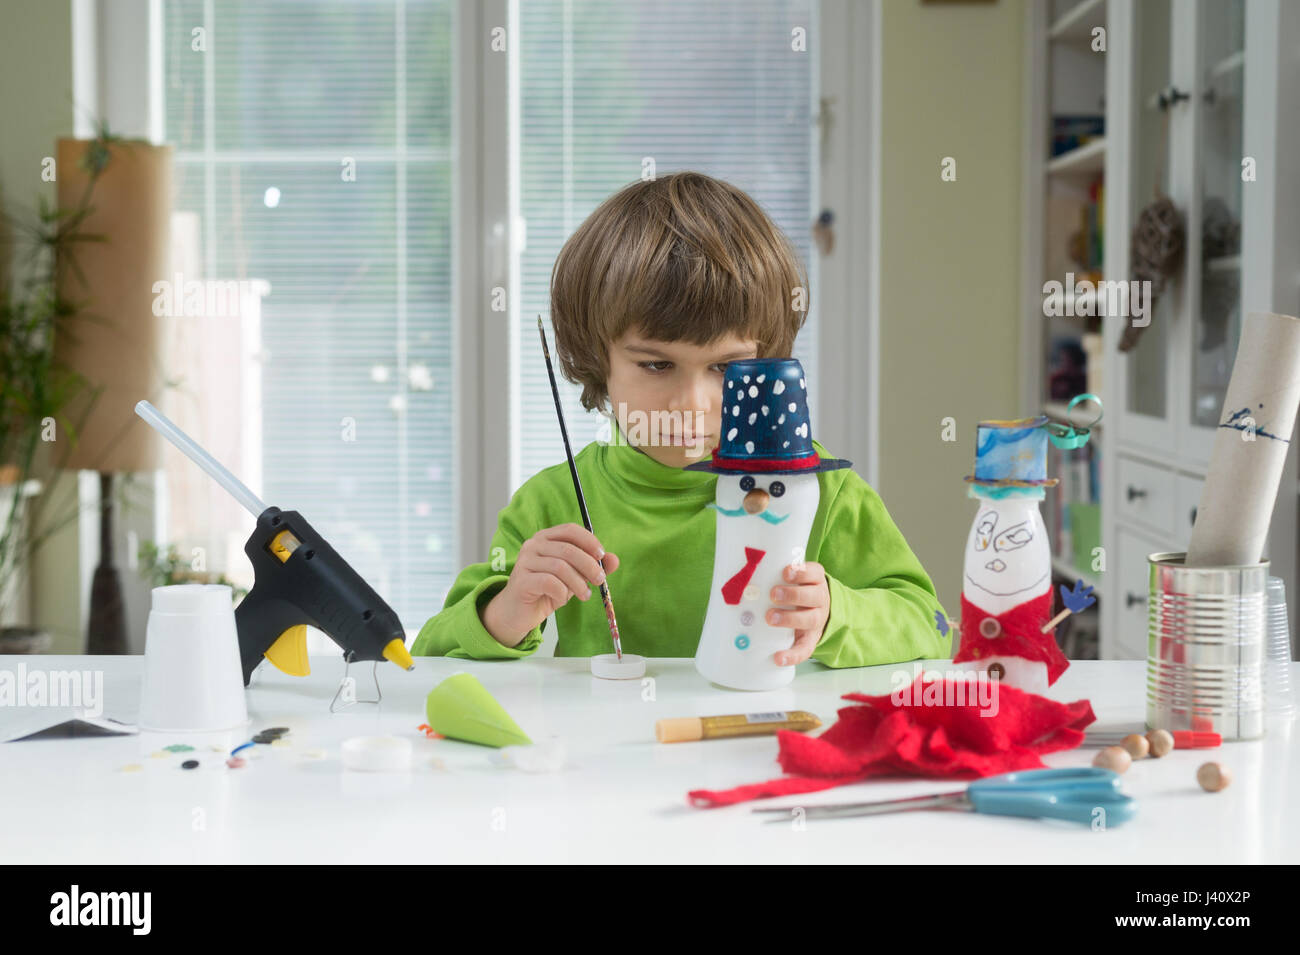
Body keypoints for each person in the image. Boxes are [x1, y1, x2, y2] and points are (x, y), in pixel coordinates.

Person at [412, 172, 949, 668]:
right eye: (655, 364)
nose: (691, 403)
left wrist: (836, 614)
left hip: (761, 744)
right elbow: (428, 656)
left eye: (725, 367)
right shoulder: (551, 505)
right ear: (597, 356)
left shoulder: (822, 494)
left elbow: (933, 626)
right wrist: (506, 612)